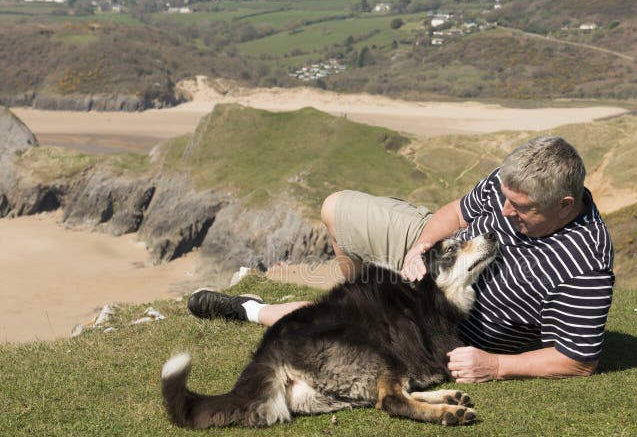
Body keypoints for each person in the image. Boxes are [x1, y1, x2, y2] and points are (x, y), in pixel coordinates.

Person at [188, 136, 615, 382]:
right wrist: (419, 248)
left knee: (345, 328)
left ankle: (249, 309)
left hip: (450, 325)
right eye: (505, 198)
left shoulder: (585, 263)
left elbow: (578, 360)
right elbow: (456, 213)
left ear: (564, 204)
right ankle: (352, 295)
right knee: (337, 208)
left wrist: (497, 365)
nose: (504, 212)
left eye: (521, 209)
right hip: (440, 253)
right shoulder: (516, 181)